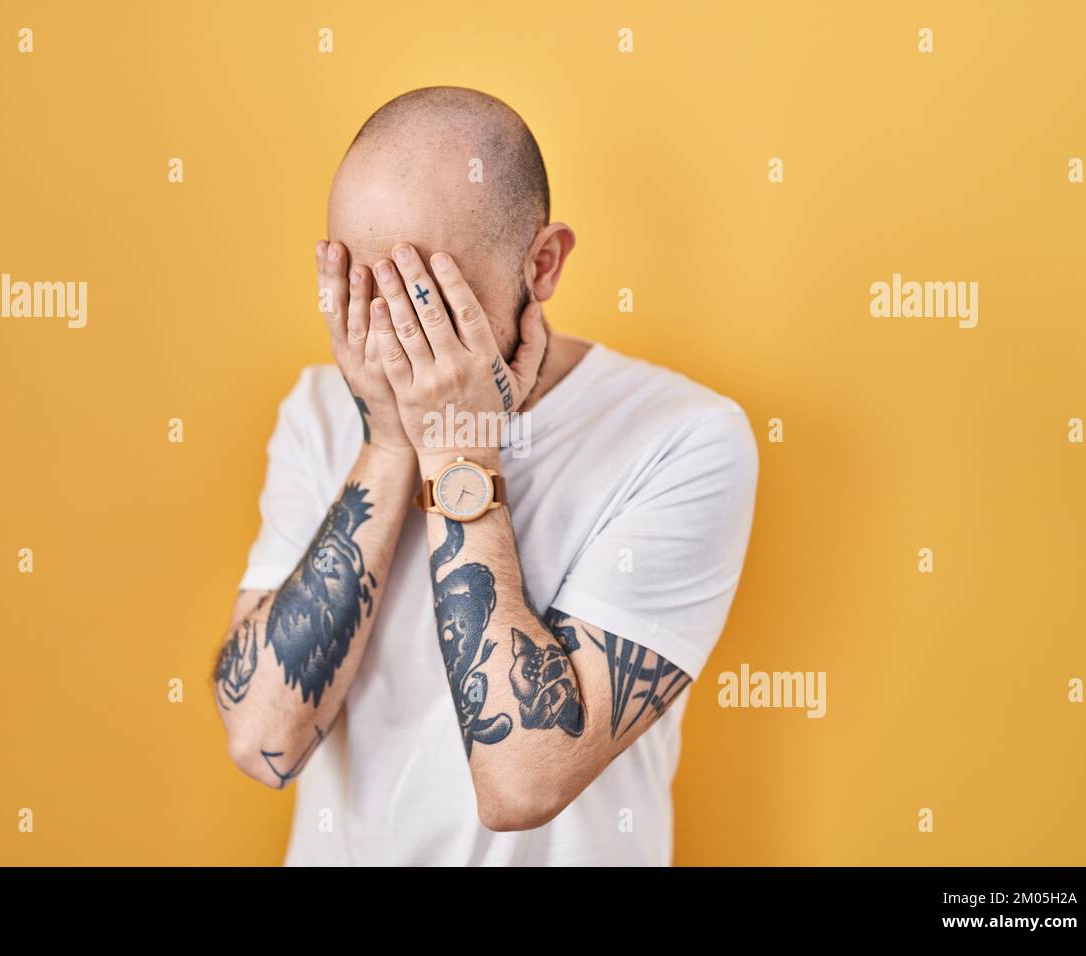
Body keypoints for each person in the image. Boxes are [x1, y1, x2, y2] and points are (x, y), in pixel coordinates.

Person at [213, 86, 758, 865]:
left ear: (542, 264)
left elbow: (521, 782)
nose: (392, 341)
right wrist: (391, 443)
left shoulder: (684, 438)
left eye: (427, 299)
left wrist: (457, 446)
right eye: (364, 292)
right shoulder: (321, 411)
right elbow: (264, 739)